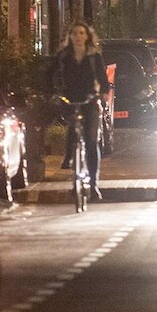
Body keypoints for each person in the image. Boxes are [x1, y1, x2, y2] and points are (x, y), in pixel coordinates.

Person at [53, 22, 112, 200]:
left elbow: (103, 80)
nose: (78, 37)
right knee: (73, 127)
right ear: (70, 37)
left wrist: (102, 93)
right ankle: (70, 158)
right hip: (70, 100)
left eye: (82, 33)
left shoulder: (94, 57)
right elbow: (51, 74)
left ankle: (93, 184)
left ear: (87, 36)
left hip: (90, 101)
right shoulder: (64, 56)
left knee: (91, 141)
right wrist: (53, 92)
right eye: (75, 34)